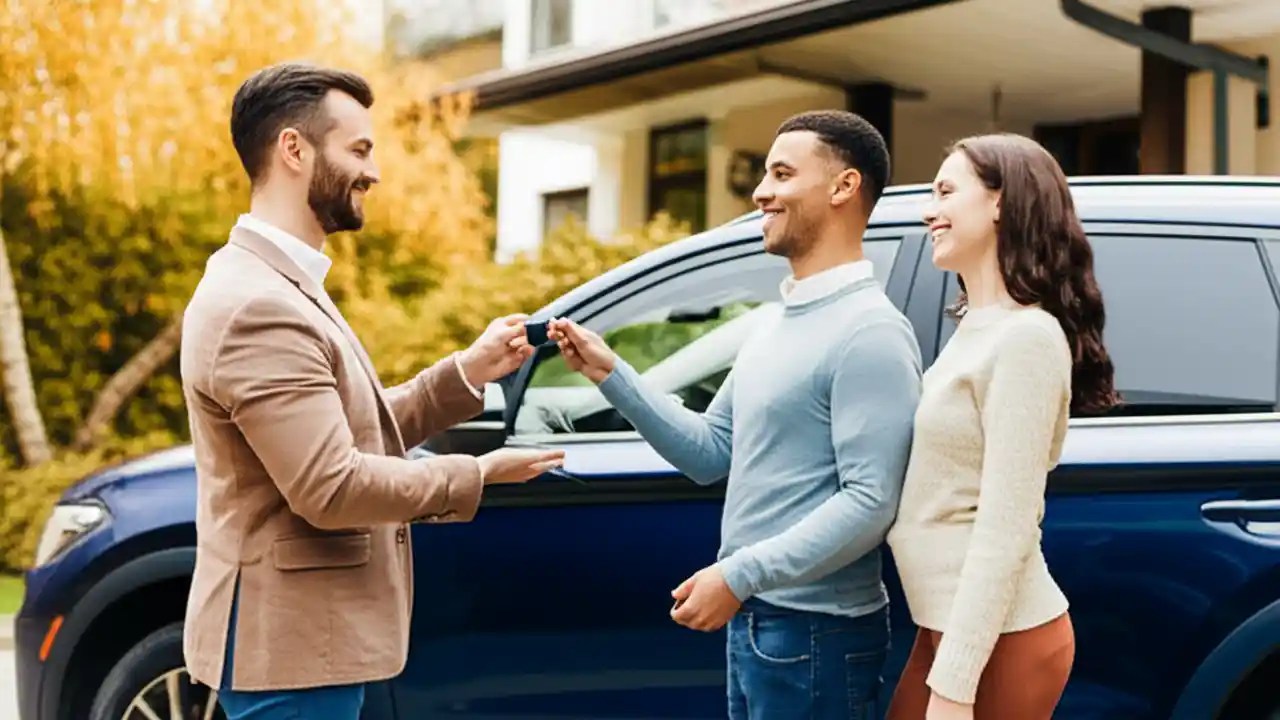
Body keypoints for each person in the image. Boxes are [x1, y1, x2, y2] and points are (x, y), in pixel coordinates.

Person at [179, 62, 564, 719]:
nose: (374, 171)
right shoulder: (258, 305)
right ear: (294, 150)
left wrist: (466, 373)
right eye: (358, 149)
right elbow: (331, 488)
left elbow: (352, 429)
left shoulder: (278, 285)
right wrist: (475, 474)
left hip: (304, 648)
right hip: (293, 658)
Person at [548, 110, 922, 719]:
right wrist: (612, 375)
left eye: (781, 173)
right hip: (762, 628)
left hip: (817, 636)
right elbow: (711, 451)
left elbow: (872, 500)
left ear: (843, 187)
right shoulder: (777, 323)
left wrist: (739, 574)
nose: (760, 192)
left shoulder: (871, 332)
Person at [884, 133, 1118, 720]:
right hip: (950, 624)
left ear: (999, 202)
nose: (927, 210)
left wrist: (956, 685)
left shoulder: (1027, 339)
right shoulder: (977, 326)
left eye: (944, 191)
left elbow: (1006, 525)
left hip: (1003, 639)